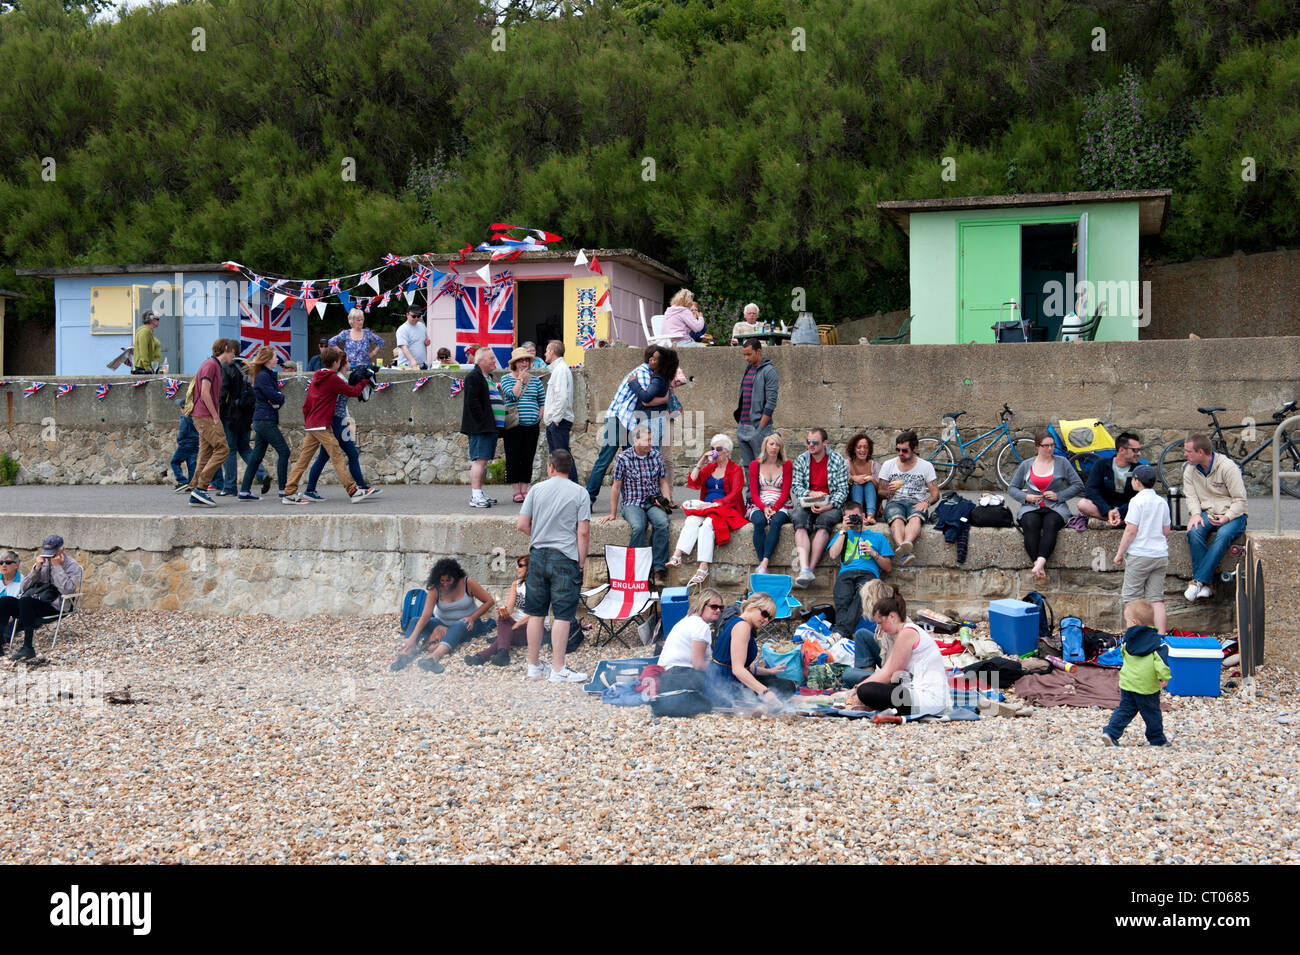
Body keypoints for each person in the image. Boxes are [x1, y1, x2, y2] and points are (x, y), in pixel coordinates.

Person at [517, 449, 591, 684]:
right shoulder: (580, 493)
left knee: (536, 612)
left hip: (538, 555)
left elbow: (522, 524)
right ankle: (558, 668)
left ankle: (534, 665)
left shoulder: (536, 490)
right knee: (562, 614)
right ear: (569, 468)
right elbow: (583, 531)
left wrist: (538, 536)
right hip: (564, 557)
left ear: (550, 467)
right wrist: (580, 561)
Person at [282, 347, 379, 504]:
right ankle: (353, 490)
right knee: (337, 456)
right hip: (322, 425)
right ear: (335, 363)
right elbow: (353, 392)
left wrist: (309, 420)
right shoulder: (332, 378)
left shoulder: (317, 376)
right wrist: (365, 380)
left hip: (311, 424)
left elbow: (306, 404)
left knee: (303, 460)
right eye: (340, 362)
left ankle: (289, 492)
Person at [846, 588, 948, 718]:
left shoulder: (907, 633)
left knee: (866, 691)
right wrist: (858, 688)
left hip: (926, 701)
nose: (880, 628)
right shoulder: (906, 632)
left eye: (880, 623)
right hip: (927, 698)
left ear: (892, 616)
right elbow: (888, 669)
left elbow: (889, 674)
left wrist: (858, 689)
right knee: (865, 689)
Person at [599, 425, 674, 588]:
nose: (650, 443)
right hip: (632, 502)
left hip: (652, 501)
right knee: (639, 526)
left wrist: (666, 499)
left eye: (650, 439)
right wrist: (612, 513)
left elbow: (663, 481)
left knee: (662, 523)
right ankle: (637, 568)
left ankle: (658, 569)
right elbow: (616, 487)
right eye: (647, 440)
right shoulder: (623, 458)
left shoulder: (656, 455)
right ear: (635, 440)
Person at [390, 559, 497, 673]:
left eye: (449, 580)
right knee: (415, 620)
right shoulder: (435, 588)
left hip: (468, 624)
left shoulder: (467, 583)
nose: (445, 584)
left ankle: (433, 658)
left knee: (459, 624)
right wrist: (412, 638)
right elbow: (425, 616)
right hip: (442, 622)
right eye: (442, 580)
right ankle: (405, 653)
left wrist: (472, 617)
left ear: (456, 577)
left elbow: (489, 601)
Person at [667, 434, 745, 587]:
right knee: (691, 520)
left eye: (718, 449)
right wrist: (701, 462)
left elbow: (735, 494)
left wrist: (715, 505)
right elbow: (694, 481)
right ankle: (677, 555)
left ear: (728, 451)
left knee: (708, 525)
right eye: (712, 448)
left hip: (725, 508)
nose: (714, 451)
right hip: (706, 506)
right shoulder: (711, 467)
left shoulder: (736, 470)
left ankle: (703, 567)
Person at [1006, 428, 1085, 580]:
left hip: (1055, 508)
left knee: (1051, 524)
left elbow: (1078, 485)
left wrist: (1059, 495)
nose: (1050, 449)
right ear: (1037, 447)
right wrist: (1026, 497)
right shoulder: (1026, 464)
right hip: (1031, 507)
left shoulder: (1062, 463)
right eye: (1046, 446)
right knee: (1030, 524)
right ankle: (1038, 564)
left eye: (1052, 445)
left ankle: (1039, 563)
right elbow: (1012, 488)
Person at [585, 346, 660, 503]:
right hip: (619, 419)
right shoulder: (644, 374)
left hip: (628, 420)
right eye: (660, 360)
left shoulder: (647, 372)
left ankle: (631, 500)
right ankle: (588, 499)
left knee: (631, 462)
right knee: (605, 459)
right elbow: (646, 399)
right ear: (651, 360)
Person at [1182, 433, 1248, 603]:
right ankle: (1206, 586)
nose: (1185, 454)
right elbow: (1191, 497)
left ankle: (1198, 581)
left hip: (1233, 515)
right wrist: (1195, 514)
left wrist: (1227, 517)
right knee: (1194, 531)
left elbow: (1240, 501)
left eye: (1188, 451)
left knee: (1224, 535)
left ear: (1201, 452)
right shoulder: (1189, 470)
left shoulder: (1227, 467)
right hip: (1208, 513)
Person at [705, 592, 793, 709]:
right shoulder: (743, 627)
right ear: (751, 607)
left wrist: (769, 672)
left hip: (718, 678)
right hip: (726, 684)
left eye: (769, 618)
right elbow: (738, 670)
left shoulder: (735, 621)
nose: (766, 620)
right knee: (785, 688)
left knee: (784, 684)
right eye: (764, 614)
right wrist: (765, 693)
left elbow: (744, 665)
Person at [1, 535, 82, 661]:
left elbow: (67, 590)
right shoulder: (43, 562)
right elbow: (24, 586)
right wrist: (37, 569)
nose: (49, 557)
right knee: (5, 601)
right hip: (35, 601)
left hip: (55, 605)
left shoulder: (72, 566)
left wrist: (57, 567)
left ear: (62, 550)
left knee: (26, 602)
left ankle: (28, 647)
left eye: (52, 553)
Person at [1101, 599, 1170, 746]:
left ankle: (1111, 733)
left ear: (1134, 622)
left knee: (1125, 710)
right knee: (1152, 714)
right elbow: (1161, 663)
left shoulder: (1127, 641)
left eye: (1127, 621)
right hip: (1146, 687)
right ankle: (1157, 740)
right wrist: (1164, 677)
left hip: (1127, 683)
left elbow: (1124, 656)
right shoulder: (1157, 643)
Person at [826, 499, 894, 643]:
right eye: (849, 517)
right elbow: (833, 555)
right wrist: (843, 530)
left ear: (863, 516)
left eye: (856, 516)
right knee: (842, 598)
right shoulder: (843, 535)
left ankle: (840, 634)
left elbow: (888, 567)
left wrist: (874, 553)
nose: (854, 520)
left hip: (868, 574)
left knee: (863, 595)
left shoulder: (878, 537)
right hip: (846, 573)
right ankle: (845, 635)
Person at [1114, 465, 1171, 633]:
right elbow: (1166, 531)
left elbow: (1131, 530)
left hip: (1140, 554)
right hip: (1160, 555)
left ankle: (1133, 637)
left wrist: (1119, 553)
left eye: (1132, 479)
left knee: (1131, 599)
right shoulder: (1162, 502)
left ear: (1137, 481)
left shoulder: (1136, 501)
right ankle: (1161, 637)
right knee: (1156, 600)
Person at [790, 428, 849, 587]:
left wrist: (828, 505)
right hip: (808, 501)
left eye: (815, 442)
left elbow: (843, 490)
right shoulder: (802, 459)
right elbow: (796, 486)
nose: (811, 445)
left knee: (824, 523)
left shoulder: (837, 460)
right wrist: (810, 493)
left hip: (830, 502)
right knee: (799, 521)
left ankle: (810, 569)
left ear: (824, 443)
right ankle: (803, 569)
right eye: (808, 442)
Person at [185, 338, 237, 507]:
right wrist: (215, 415)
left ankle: (195, 490)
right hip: (205, 415)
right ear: (226, 348)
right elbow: (205, 392)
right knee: (223, 449)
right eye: (233, 351)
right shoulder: (211, 365)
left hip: (204, 415)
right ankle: (201, 488)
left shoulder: (215, 365)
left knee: (206, 454)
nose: (234, 354)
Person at [877, 430, 939, 566]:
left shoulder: (926, 466)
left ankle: (905, 546)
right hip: (895, 501)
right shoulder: (889, 464)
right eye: (897, 450)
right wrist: (888, 493)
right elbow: (880, 491)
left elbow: (935, 494)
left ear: (915, 448)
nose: (900, 454)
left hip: (916, 501)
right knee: (896, 518)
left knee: (916, 517)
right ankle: (904, 550)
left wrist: (926, 502)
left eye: (904, 451)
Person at [465, 554, 537, 667]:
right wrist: (502, 611)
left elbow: (536, 614)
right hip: (517, 627)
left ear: (530, 568)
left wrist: (514, 626)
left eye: (520, 565)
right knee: (503, 618)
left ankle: (482, 656)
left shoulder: (541, 586)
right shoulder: (516, 584)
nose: (516, 568)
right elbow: (509, 609)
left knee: (505, 633)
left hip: (534, 629)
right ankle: (502, 654)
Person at [239, 346, 291, 500]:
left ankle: (244, 491)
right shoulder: (263, 376)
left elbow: (275, 398)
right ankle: (283, 490)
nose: (277, 360)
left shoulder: (267, 375)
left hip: (264, 418)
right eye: (275, 357)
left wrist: (277, 398)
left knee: (256, 456)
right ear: (268, 360)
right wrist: (278, 397)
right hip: (264, 419)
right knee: (284, 451)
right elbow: (275, 397)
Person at [216, 355, 269, 499]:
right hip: (246, 414)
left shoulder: (228, 368)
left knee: (230, 450)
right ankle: (262, 473)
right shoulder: (249, 368)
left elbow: (223, 391)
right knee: (245, 448)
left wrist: (218, 412)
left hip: (231, 415)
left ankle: (229, 486)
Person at [501, 347, 546, 503]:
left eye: (526, 360)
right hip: (514, 425)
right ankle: (516, 490)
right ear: (514, 363)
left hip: (532, 425)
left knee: (528, 457)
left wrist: (539, 416)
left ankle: (525, 489)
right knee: (514, 456)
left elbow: (542, 401)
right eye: (521, 360)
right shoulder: (506, 379)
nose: (524, 363)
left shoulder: (535, 380)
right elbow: (514, 394)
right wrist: (520, 378)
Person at [460, 348, 503, 509]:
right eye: (491, 358)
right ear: (480, 360)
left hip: (489, 426)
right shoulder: (473, 377)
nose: (494, 361)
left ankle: (479, 492)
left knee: (483, 460)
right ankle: (476, 494)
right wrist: (483, 423)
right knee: (479, 460)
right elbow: (473, 403)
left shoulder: (487, 377)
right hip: (481, 427)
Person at [748, 433, 793, 573]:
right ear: (765, 446)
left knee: (776, 522)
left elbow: (785, 492)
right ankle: (762, 563)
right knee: (759, 522)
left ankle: (764, 563)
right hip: (759, 503)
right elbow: (754, 493)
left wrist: (773, 508)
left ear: (781, 448)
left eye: (777, 445)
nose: (774, 447)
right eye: (771, 444)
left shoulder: (787, 465)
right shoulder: (755, 465)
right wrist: (764, 508)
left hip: (781, 504)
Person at [1080, 431, 1142, 524]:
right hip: (1107, 508)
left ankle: (1116, 520)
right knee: (1082, 504)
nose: (1139, 453)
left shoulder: (1139, 469)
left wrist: (1120, 511)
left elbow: (1141, 496)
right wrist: (1107, 510)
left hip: (1128, 509)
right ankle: (1118, 521)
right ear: (1121, 450)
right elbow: (1091, 490)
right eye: (1135, 450)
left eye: (1139, 450)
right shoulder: (1102, 464)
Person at [657, 587, 725, 671]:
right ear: (702, 605)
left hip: (667, 672)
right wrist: (720, 669)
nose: (718, 610)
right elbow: (698, 665)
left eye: (721, 607)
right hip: (678, 673)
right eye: (714, 607)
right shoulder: (701, 626)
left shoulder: (689, 620)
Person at [734, 339, 778, 467]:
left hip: (758, 427)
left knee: (762, 465)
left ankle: (762, 488)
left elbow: (771, 403)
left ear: (758, 351)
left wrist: (760, 428)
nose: (746, 358)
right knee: (748, 466)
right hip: (743, 425)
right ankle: (751, 488)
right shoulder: (749, 369)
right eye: (744, 355)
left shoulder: (769, 371)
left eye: (749, 354)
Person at [623, 346, 677, 445]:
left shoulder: (658, 379)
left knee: (649, 453)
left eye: (654, 359)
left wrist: (633, 383)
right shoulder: (664, 378)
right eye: (651, 357)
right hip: (655, 419)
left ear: (662, 364)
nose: (650, 360)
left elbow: (646, 397)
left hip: (651, 420)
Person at [542, 339, 579, 483]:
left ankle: (572, 487)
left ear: (552, 352)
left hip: (559, 421)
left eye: (546, 350)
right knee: (558, 457)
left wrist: (556, 419)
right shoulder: (558, 369)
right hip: (556, 421)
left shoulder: (561, 370)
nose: (545, 353)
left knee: (563, 457)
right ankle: (562, 487)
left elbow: (562, 397)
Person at [845, 432, 880, 521]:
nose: (862, 450)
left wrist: (872, 479)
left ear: (869, 450)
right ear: (853, 449)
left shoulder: (875, 465)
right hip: (852, 502)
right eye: (859, 447)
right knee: (857, 484)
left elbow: (881, 490)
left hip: (872, 502)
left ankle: (870, 516)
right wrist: (852, 478)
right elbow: (842, 487)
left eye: (866, 447)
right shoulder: (846, 465)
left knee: (869, 483)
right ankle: (858, 515)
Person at [169, 402, 199, 492]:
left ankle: (182, 481)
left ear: (183, 408)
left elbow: (182, 431)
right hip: (195, 443)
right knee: (191, 464)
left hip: (185, 443)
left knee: (174, 462)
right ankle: (192, 484)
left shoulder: (184, 418)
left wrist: (179, 440)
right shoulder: (195, 417)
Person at [0, 551, 20, 653]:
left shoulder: (23, 582)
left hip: (10, 617)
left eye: (7, 563)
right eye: (1, 562)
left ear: (16, 565)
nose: (3, 565)